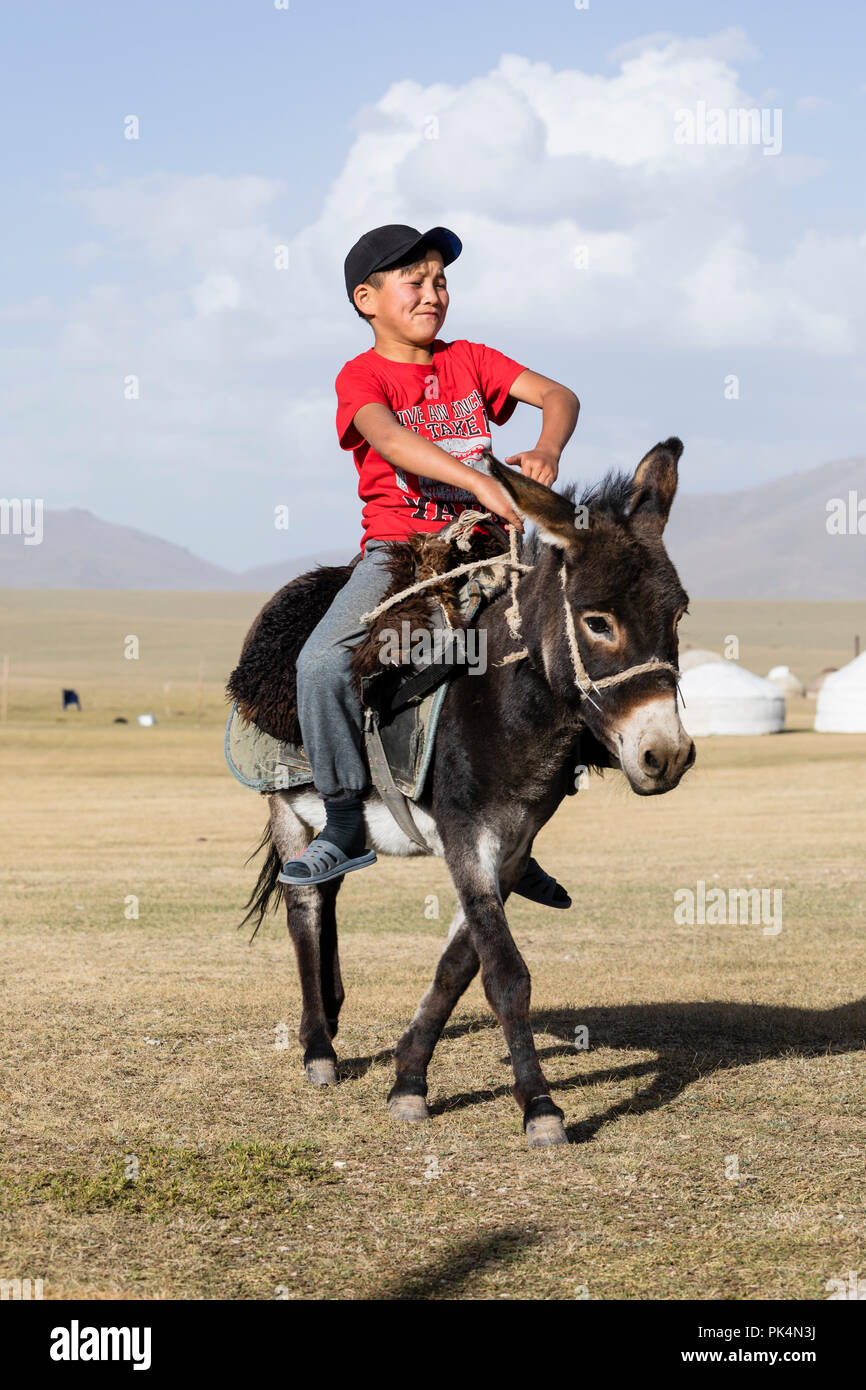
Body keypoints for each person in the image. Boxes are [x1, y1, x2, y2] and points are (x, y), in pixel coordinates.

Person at [280, 223, 579, 905]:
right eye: (414, 280)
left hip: (492, 555)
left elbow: (560, 396)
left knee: (567, 656)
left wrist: (547, 449)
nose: (433, 292)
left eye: (441, 280)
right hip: (403, 560)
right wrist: (477, 480)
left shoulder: (472, 360)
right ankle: (346, 822)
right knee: (321, 665)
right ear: (366, 298)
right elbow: (388, 437)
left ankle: (520, 834)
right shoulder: (362, 377)